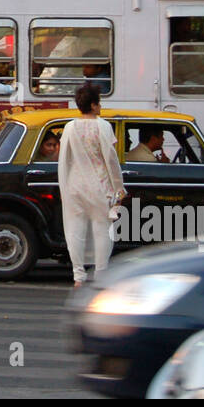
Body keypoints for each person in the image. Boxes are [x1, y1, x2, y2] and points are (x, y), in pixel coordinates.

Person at [59, 83, 126, 288]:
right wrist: (119, 187)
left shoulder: (70, 127)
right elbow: (111, 159)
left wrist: (64, 186)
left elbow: (64, 160)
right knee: (102, 229)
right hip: (100, 185)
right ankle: (101, 274)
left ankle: (78, 275)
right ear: (95, 105)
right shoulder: (103, 126)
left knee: (75, 230)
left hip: (74, 185)